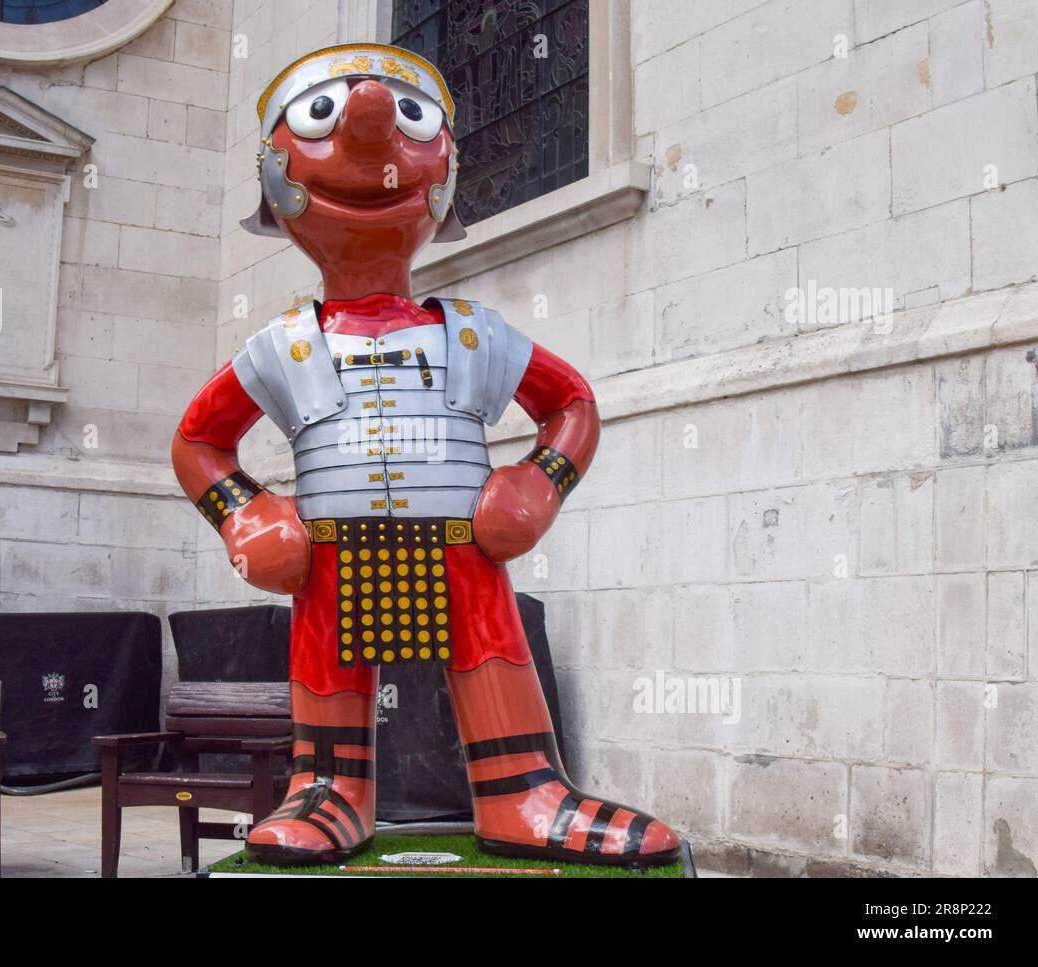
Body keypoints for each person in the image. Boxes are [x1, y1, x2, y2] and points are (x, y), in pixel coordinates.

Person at [171, 43, 679, 867]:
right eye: (325, 124)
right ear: (276, 178)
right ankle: (330, 786)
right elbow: (198, 439)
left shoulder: (473, 333)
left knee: (489, 641)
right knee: (332, 648)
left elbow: (572, 403)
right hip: (332, 553)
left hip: (463, 547)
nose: (374, 141)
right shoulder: (283, 346)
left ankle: (522, 789)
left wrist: (538, 482)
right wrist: (248, 512)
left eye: (411, 124)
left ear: (441, 177)